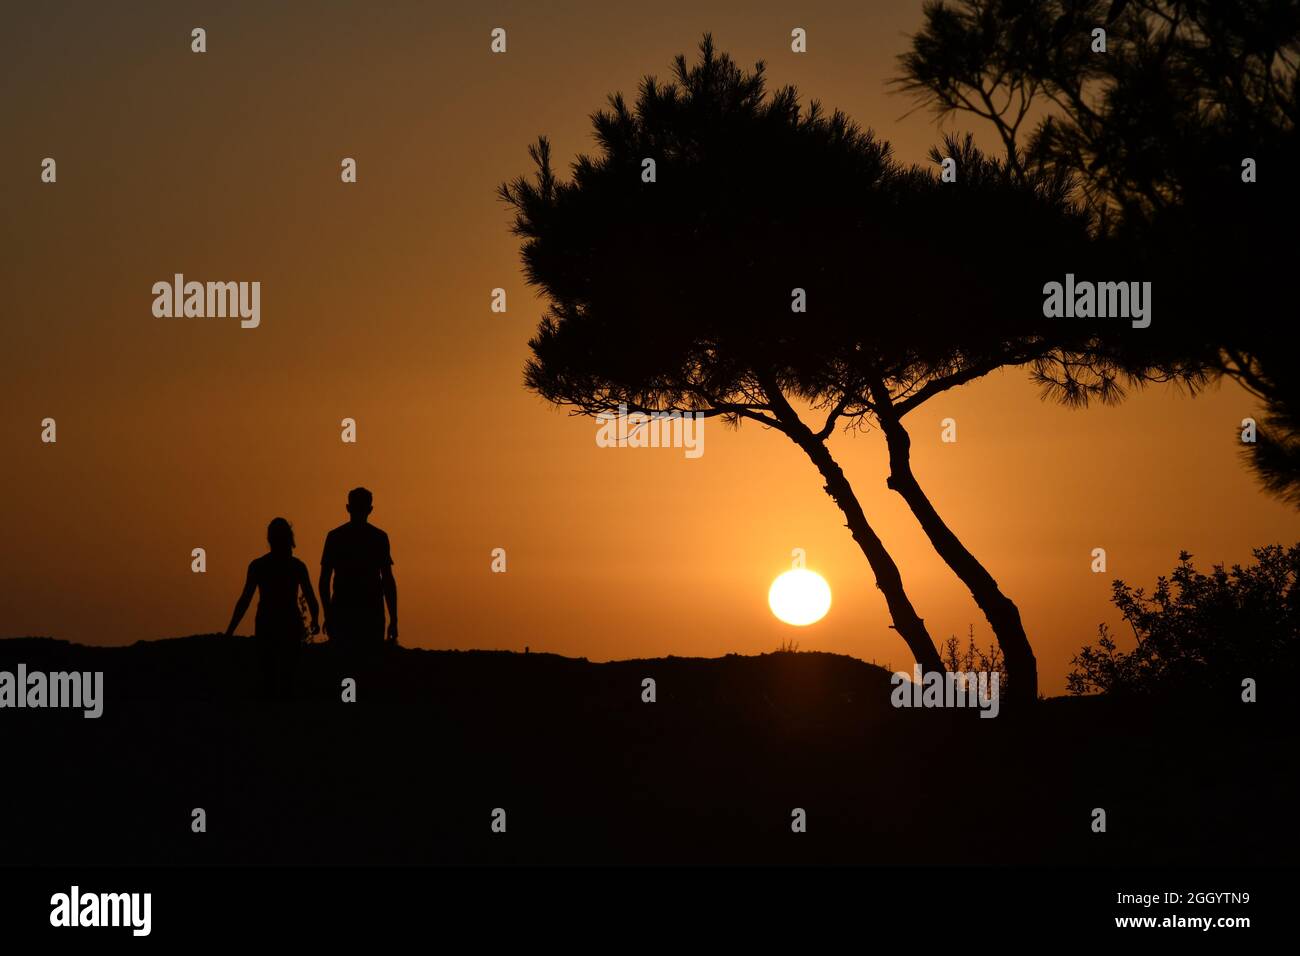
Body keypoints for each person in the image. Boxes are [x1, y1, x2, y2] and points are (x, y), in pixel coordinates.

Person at [225, 517, 320, 697]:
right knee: (287, 676)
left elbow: (244, 600)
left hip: (268, 623)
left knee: (269, 675)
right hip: (287, 624)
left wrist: (231, 630)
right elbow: (311, 598)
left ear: (269, 539)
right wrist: (315, 619)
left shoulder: (259, 566)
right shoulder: (296, 566)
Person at [319, 487, 398, 657]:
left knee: (345, 669)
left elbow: (324, 580)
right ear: (370, 510)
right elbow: (388, 580)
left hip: (344, 611)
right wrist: (394, 618)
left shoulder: (335, 537)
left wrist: (328, 613)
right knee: (368, 668)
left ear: (348, 508)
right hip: (369, 614)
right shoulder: (379, 538)